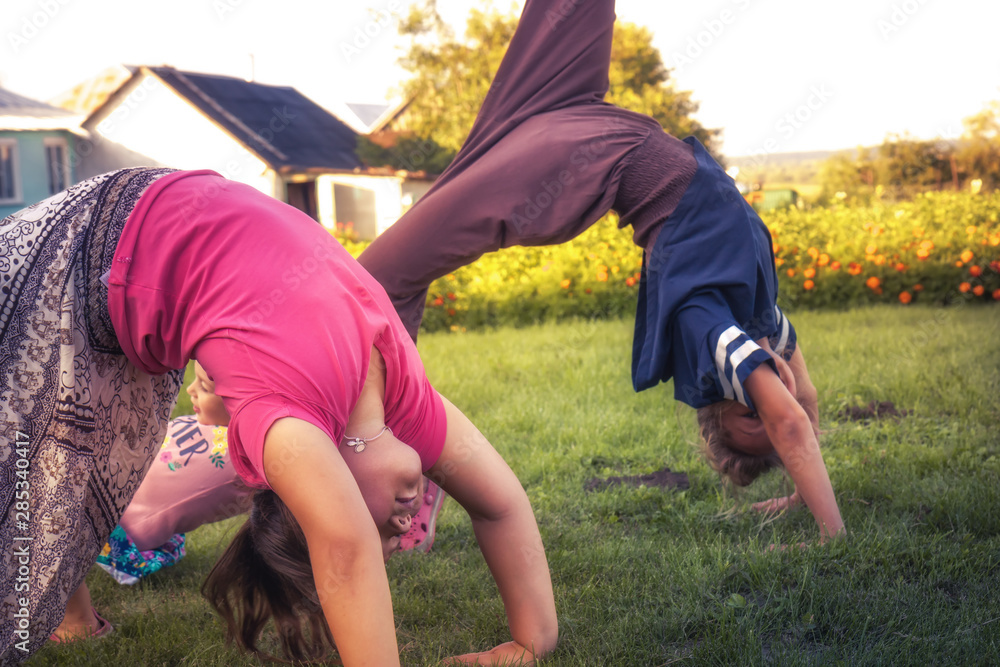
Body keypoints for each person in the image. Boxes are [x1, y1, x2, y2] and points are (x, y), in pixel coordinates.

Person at [0, 166, 556, 665]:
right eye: (395, 535)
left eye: (382, 531)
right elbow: (498, 506)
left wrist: (530, 646)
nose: (405, 524)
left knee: (49, 461)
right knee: (49, 461)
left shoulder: (291, 425)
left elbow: (345, 544)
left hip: (90, 250)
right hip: (132, 226)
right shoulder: (401, 406)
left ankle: (67, 618)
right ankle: (71, 620)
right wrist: (532, 639)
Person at [358, 0, 844, 542]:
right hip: (600, 127)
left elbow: (790, 421)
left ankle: (410, 454)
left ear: (716, 404)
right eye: (769, 421)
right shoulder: (762, 318)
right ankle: (399, 439)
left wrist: (832, 534)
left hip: (582, 162)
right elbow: (805, 401)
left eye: (750, 420)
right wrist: (803, 492)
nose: (769, 403)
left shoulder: (713, 336)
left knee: (376, 276)